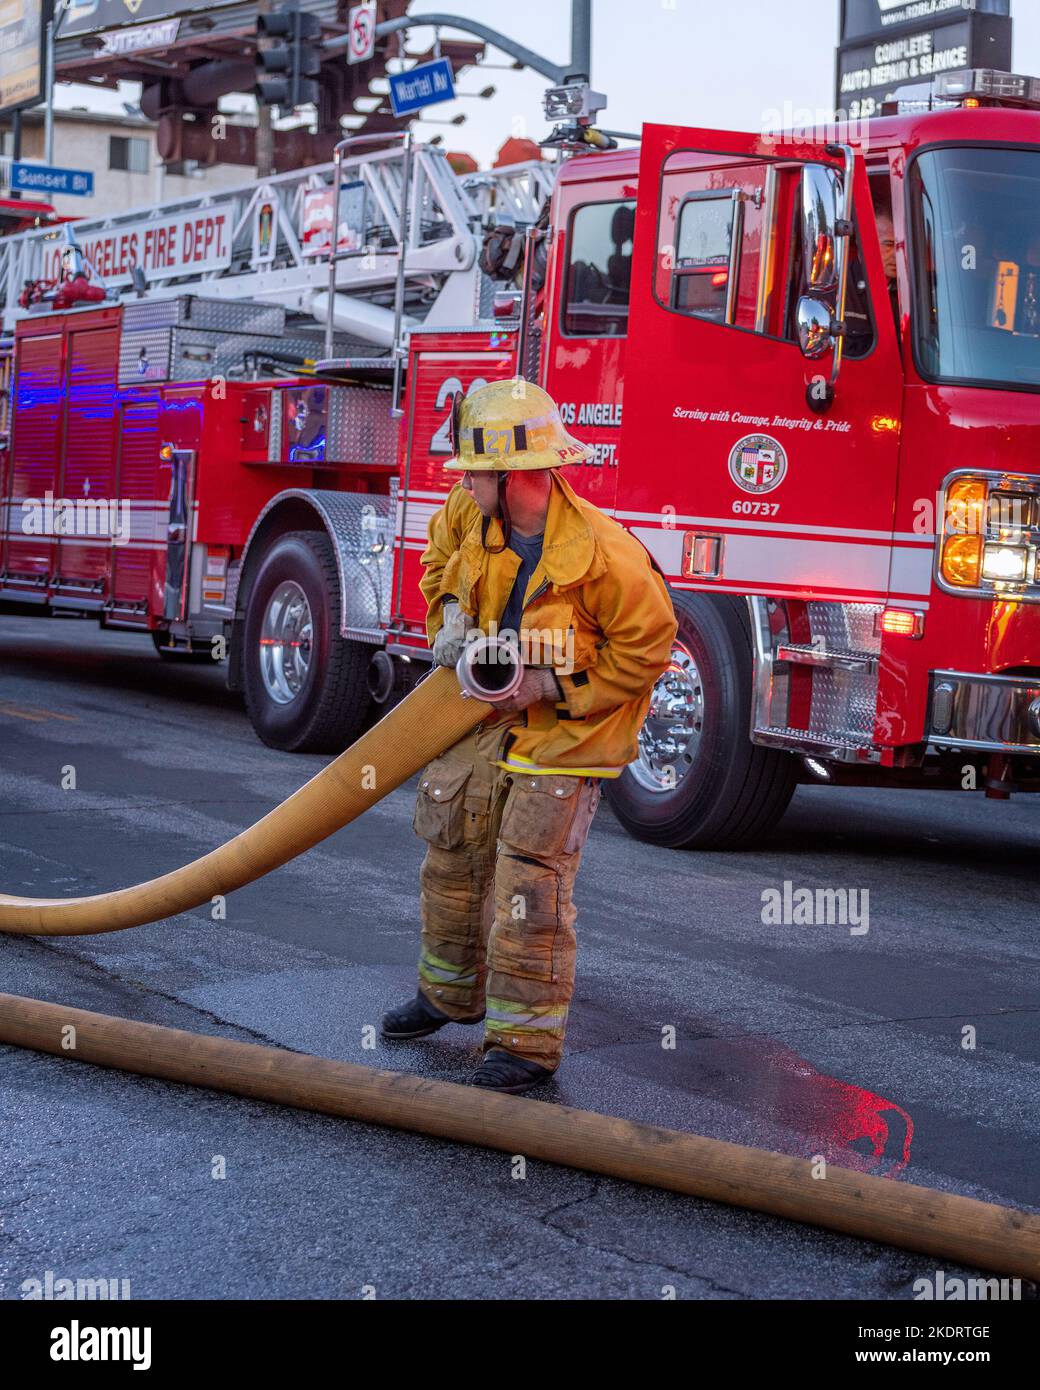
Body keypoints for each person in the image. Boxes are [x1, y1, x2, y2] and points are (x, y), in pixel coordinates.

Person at [380, 378, 677, 1093]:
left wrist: (549, 687)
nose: (463, 485)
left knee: (528, 883)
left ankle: (523, 1044)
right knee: (452, 847)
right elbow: (437, 567)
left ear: (513, 478)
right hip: (483, 713)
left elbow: (648, 650)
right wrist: (449, 615)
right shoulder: (468, 511)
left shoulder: (606, 555)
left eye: (474, 473)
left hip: (564, 734)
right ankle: (449, 994)